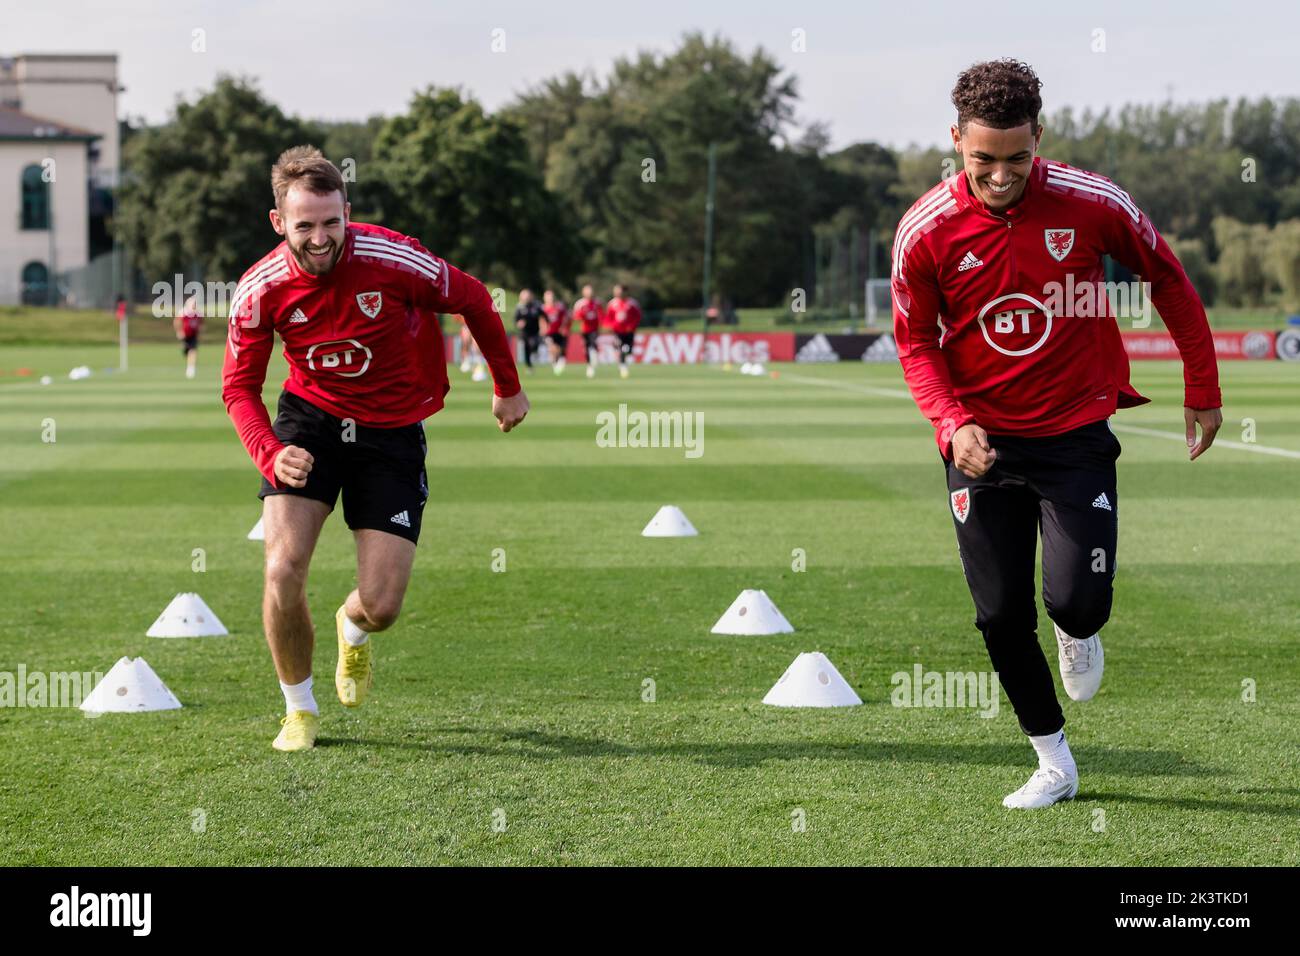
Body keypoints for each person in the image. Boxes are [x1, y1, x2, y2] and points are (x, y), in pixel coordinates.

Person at [891, 60, 1222, 809]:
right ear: (956, 142)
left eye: (1016, 157)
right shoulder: (925, 231)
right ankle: (1053, 761)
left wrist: (1202, 385)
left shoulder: (1091, 202)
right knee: (999, 613)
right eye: (984, 159)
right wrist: (950, 422)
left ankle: (1078, 628)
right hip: (982, 448)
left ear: (1038, 136)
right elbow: (914, 341)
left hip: (1074, 436)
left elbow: (1166, 277)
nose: (1001, 174)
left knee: (1074, 604)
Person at [222, 146, 529, 751]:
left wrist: (507, 387)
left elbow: (473, 299)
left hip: (390, 431)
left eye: (331, 222)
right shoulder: (259, 290)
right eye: (304, 225)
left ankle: (352, 629)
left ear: (347, 213)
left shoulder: (392, 257)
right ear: (278, 222)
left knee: (383, 607)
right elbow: (237, 387)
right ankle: (299, 710)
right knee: (282, 568)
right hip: (308, 423)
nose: (319, 238)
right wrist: (268, 452)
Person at [605, 284, 642, 379]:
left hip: (629, 331)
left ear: (624, 292)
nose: (616, 292)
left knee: (628, 350)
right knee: (621, 347)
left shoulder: (632, 303)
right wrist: (610, 326)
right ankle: (623, 366)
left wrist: (632, 326)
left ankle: (623, 360)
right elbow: (608, 317)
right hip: (617, 331)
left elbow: (637, 317)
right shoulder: (612, 303)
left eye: (618, 290)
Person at [572, 284, 604, 378]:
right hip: (584, 329)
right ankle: (589, 365)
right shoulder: (580, 303)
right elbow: (576, 317)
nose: (590, 293)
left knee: (593, 344)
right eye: (587, 291)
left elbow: (601, 315)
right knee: (586, 347)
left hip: (594, 329)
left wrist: (602, 325)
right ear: (583, 292)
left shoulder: (597, 303)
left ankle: (594, 361)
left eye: (591, 291)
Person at [513, 289, 544, 374]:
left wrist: (544, 327)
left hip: (535, 331)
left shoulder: (536, 306)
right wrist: (519, 323)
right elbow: (516, 319)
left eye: (528, 296)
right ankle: (529, 366)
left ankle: (535, 352)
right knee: (526, 349)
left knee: (533, 344)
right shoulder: (519, 306)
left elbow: (543, 316)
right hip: (524, 332)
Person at [542, 289, 572, 375]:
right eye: (548, 297)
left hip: (559, 331)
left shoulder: (559, 307)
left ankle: (559, 361)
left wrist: (563, 327)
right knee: (552, 348)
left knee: (560, 349)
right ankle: (555, 363)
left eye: (551, 296)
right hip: (549, 332)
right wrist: (542, 328)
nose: (550, 298)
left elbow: (565, 318)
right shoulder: (543, 308)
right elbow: (541, 319)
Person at [174, 295, 203, 379]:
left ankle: (191, 369)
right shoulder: (184, 312)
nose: (194, 305)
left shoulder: (198, 313)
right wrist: (179, 331)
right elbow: (177, 322)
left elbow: (200, 324)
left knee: (193, 351)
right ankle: (190, 364)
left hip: (193, 335)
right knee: (186, 352)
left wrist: (200, 333)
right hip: (185, 335)